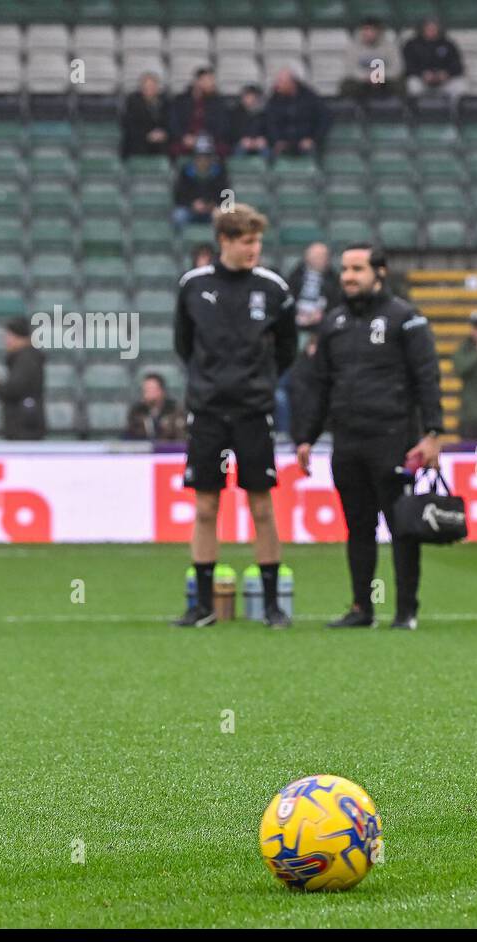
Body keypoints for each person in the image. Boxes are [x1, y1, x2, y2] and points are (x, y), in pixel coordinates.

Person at [290, 243, 443, 631]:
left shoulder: (406, 318)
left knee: (401, 526)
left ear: (380, 273)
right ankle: (363, 608)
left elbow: (427, 377)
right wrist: (306, 437)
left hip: (393, 438)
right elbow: (320, 384)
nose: (348, 277)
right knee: (358, 528)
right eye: (345, 269)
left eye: (357, 269)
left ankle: (405, 610)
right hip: (347, 441)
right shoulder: (334, 322)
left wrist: (432, 433)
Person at [173, 204, 298, 629]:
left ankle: (272, 605)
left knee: (261, 504)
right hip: (208, 411)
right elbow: (184, 345)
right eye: (246, 241)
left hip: (253, 411)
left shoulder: (274, 288)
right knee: (206, 505)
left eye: (257, 241)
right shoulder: (193, 285)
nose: (254, 249)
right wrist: (209, 382)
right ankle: (203, 605)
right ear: (224, 241)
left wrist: (258, 383)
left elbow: (287, 349)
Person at [0, 316, 45, 440]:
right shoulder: (26, 358)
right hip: (25, 422)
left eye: (8, 336)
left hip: (24, 426)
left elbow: (15, 389)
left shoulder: (27, 359)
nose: (6, 340)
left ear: (18, 337)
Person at [266, 68, 333, 159]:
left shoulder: (309, 97)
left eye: (281, 82)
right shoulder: (274, 99)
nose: (277, 85)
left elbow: (325, 118)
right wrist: (277, 140)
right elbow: (270, 123)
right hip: (283, 145)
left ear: (291, 83)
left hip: (306, 144)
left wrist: (314, 139)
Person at [168, 67, 230, 157]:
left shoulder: (218, 102)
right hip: (186, 139)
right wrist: (183, 137)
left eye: (212, 81)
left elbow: (222, 126)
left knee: (223, 149)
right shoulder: (180, 100)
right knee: (173, 149)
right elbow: (174, 123)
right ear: (197, 82)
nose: (212, 84)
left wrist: (205, 139)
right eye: (208, 80)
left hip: (209, 140)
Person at [285, 241, 341, 336]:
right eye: (316, 256)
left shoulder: (334, 279)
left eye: (323, 256)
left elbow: (335, 303)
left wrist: (322, 315)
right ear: (307, 256)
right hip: (295, 319)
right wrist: (296, 314)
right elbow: (288, 297)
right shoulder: (295, 275)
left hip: (321, 322)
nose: (320, 259)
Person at [172, 138, 231, 228]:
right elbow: (179, 196)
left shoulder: (220, 172)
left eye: (206, 156)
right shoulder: (185, 172)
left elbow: (227, 196)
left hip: (213, 209)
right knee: (178, 216)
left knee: (226, 217)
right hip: (190, 209)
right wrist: (192, 204)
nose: (203, 160)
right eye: (199, 156)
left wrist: (212, 205)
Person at [402, 17, 465, 98]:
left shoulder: (448, 44)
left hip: (444, 81)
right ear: (422, 29)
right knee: (412, 83)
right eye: (428, 28)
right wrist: (422, 74)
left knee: (460, 85)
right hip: (422, 81)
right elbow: (408, 66)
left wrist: (447, 73)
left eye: (434, 28)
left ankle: (455, 107)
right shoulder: (412, 45)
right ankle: (415, 106)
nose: (431, 31)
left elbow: (457, 65)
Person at [341, 18, 404, 97]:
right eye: (365, 30)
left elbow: (397, 68)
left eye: (372, 30)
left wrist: (379, 76)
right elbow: (350, 69)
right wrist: (367, 77)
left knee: (399, 84)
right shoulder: (353, 47)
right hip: (361, 80)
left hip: (385, 80)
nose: (368, 33)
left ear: (379, 32)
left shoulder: (390, 47)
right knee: (347, 85)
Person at [124, 371, 186, 441]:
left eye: (150, 389)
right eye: (145, 389)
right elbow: (130, 435)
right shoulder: (137, 411)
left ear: (161, 391)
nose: (146, 393)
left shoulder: (174, 409)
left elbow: (180, 436)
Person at [120, 71, 169, 157]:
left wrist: (163, 133)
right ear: (141, 88)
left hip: (159, 141)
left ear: (157, 88)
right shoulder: (133, 101)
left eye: (152, 86)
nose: (149, 89)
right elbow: (129, 126)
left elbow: (169, 121)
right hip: (139, 141)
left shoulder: (165, 101)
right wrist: (148, 135)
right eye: (146, 87)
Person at [231, 85, 269, 158]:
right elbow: (233, 131)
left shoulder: (264, 113)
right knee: (238, 152)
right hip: (242, 142)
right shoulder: (236, 113)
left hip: (260, 143)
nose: (249, 99)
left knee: (267, 153)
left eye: (252, 97)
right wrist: (242, 140)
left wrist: (262, 139)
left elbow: (269, 129)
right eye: (247, 97)